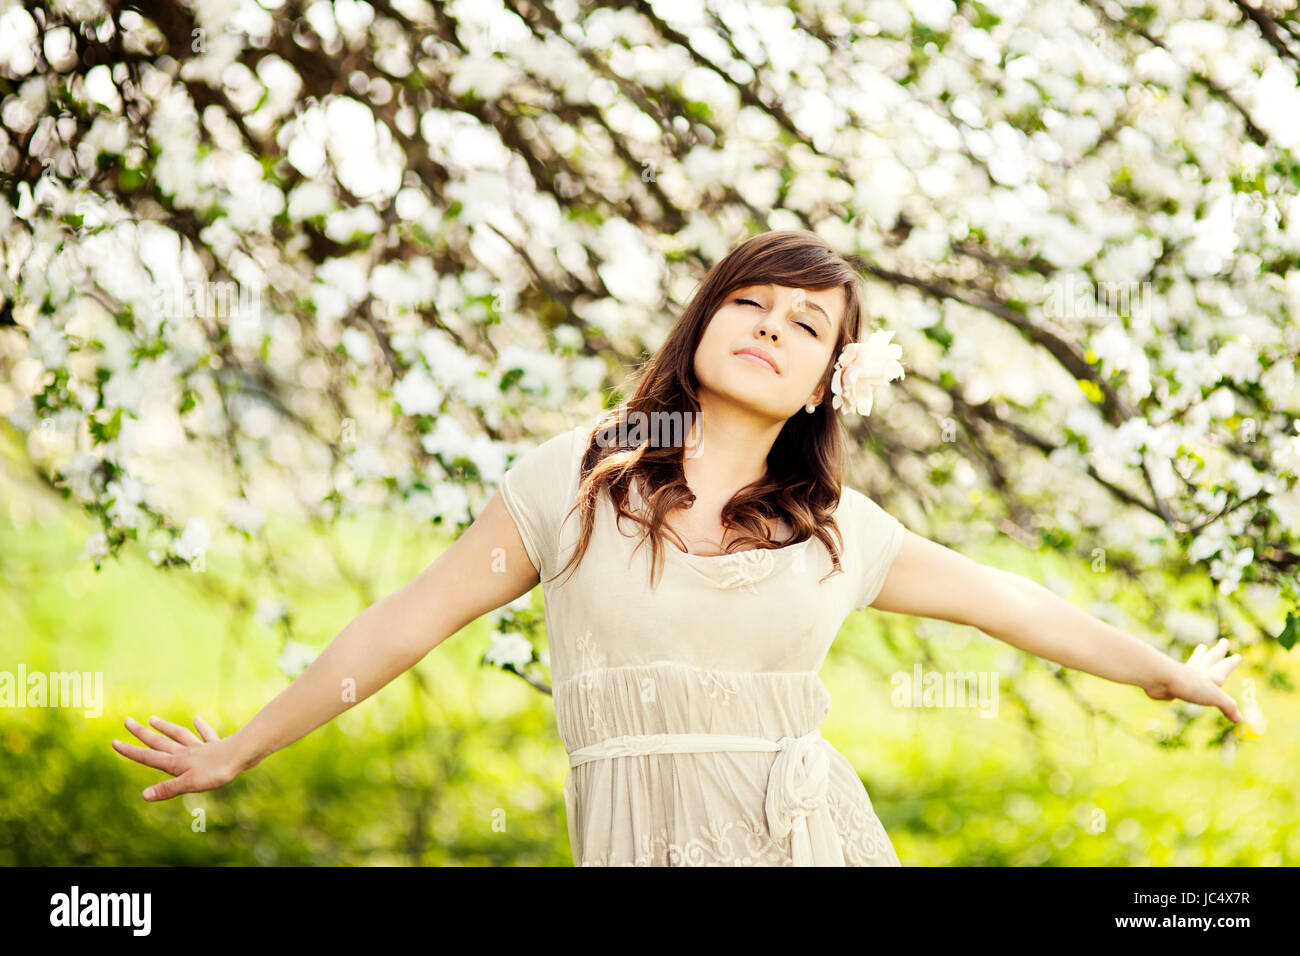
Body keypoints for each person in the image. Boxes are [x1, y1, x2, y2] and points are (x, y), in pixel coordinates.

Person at [111, 229, 1244, 866]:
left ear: (824, 384)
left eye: (806, 326)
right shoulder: (584, 472)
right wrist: (241, 745)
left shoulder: (837, 530)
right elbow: (409, 617)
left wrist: (1168, 674)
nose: (771, 328)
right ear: (702, 323)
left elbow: (1017, 604)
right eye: (750, 303)